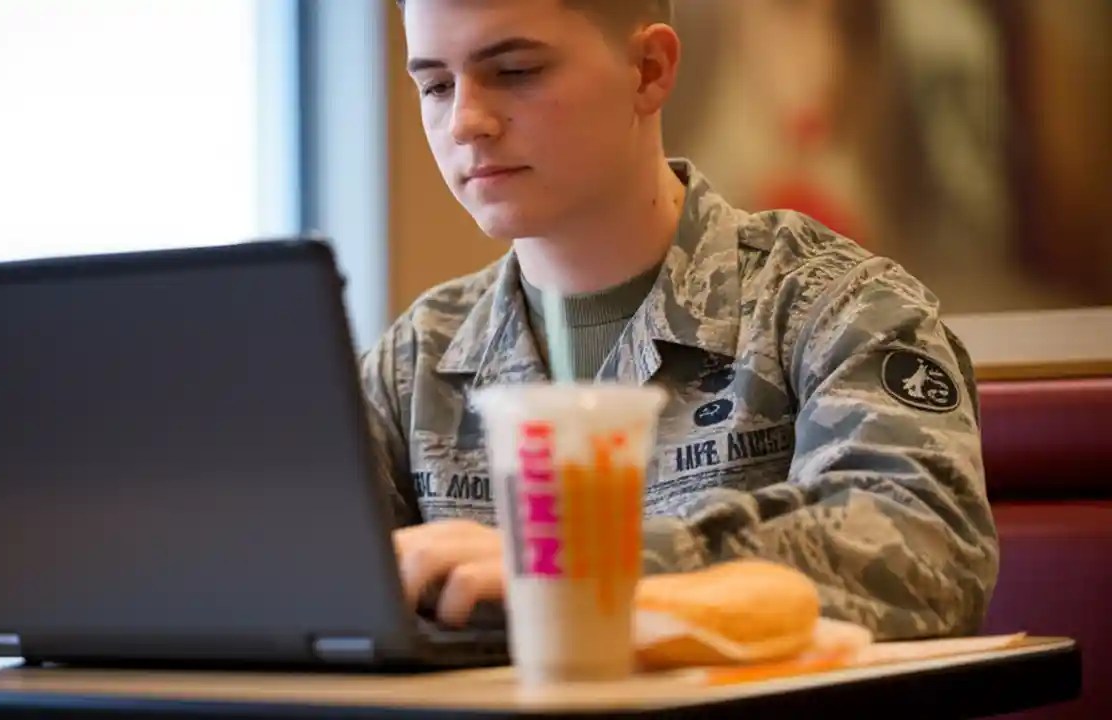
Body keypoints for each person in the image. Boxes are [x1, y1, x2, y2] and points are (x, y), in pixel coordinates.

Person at [362, 0, 998, 641]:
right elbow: (301, 587)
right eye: (437, 86)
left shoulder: (832, 308)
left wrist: (584, 568)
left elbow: (926, 555)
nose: (466, 121)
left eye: (517, 71)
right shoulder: (416, 359)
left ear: (648, 69)